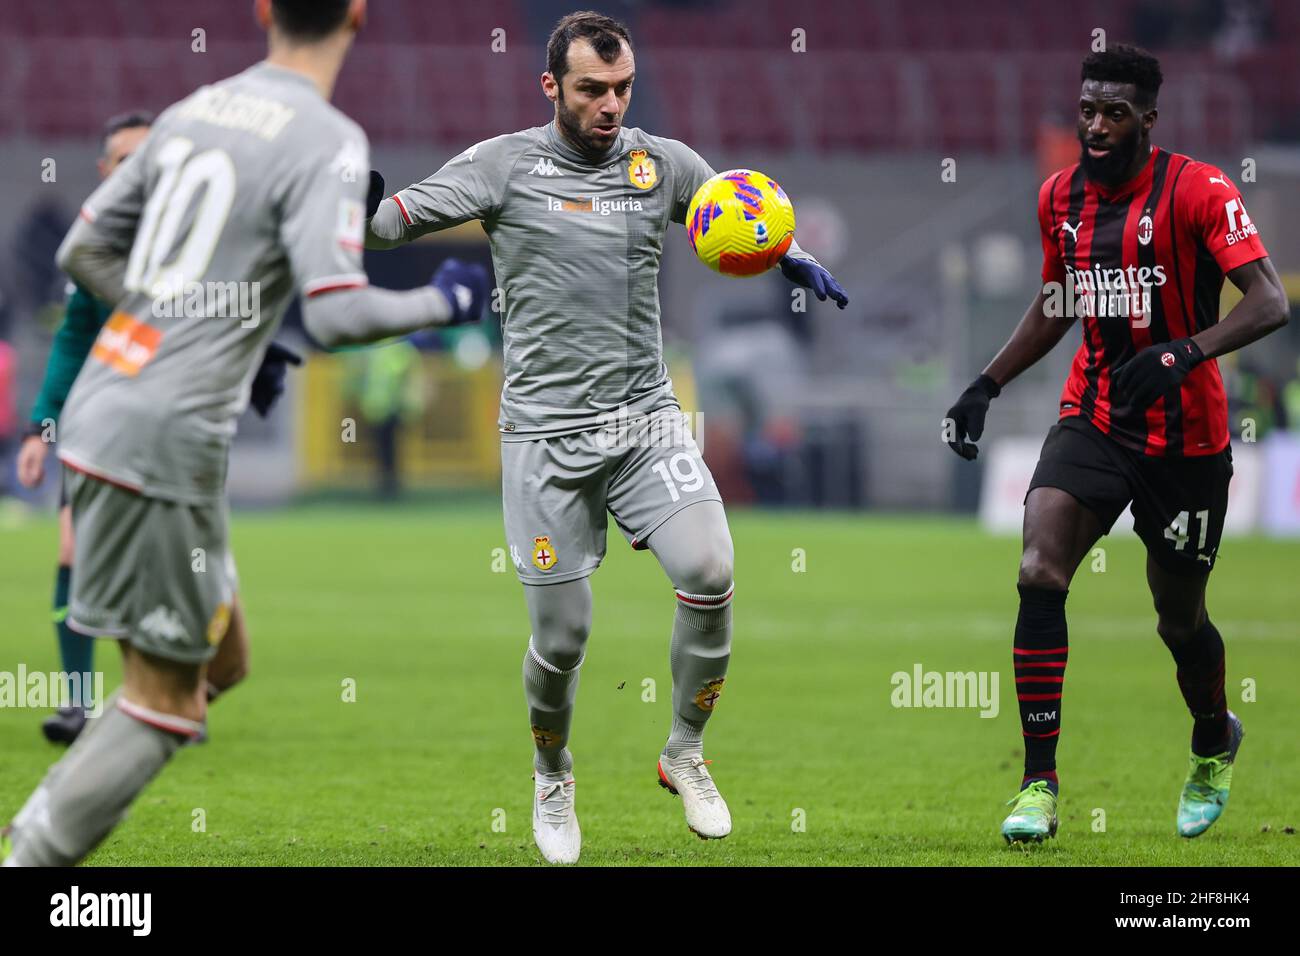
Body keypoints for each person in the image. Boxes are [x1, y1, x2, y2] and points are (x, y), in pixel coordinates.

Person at [1, 0, 487, 867]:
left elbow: (80, 252)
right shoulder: (328, 138)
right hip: (164, 437)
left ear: (262, 9)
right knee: (168, 704)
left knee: (225, 666)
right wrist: (443, 301)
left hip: (107, 412)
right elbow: (335, 315)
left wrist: (182, 324)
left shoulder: (194, 110)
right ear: (359, 15)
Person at [365, 10, 849, 864]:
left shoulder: (660, 165)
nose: (610, 105)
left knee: (711, 571)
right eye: (591, 89)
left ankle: (685, 752)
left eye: (622, 88)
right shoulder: (501, 165)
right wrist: (355, 204)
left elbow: (739, 214)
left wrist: (789, 252)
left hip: (644, 424)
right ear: (551, 85)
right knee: (563, 639)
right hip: (544, 439)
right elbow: (395, 219)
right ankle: (553, 776)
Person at [943, 44, 1288, 844]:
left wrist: (1184, 351)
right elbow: (1057, 302)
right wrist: (985, 385)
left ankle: (1212, 737)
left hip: (1188, 438)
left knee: (1178, 619)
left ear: (1148, 120)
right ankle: (1038, 784)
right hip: (1094, 416)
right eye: (1087, 110)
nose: (1095, 127)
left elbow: (1270, 302)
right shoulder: (1058, 196)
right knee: (1039, 569)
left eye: (1114, 114)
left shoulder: (1199, 189)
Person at [15, 111, 300, 744]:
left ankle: (172, 695)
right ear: (105, 171)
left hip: (178, 430)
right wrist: (41, 428)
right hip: (103, 425)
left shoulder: (197, 239)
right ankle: (78, 702)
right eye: (125, 161)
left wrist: (256, 353)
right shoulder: (101, 249)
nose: (138, 172)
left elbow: (240, 303)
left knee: (174, 569)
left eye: (150, 159)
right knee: (73, 553)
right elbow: (71, 340)